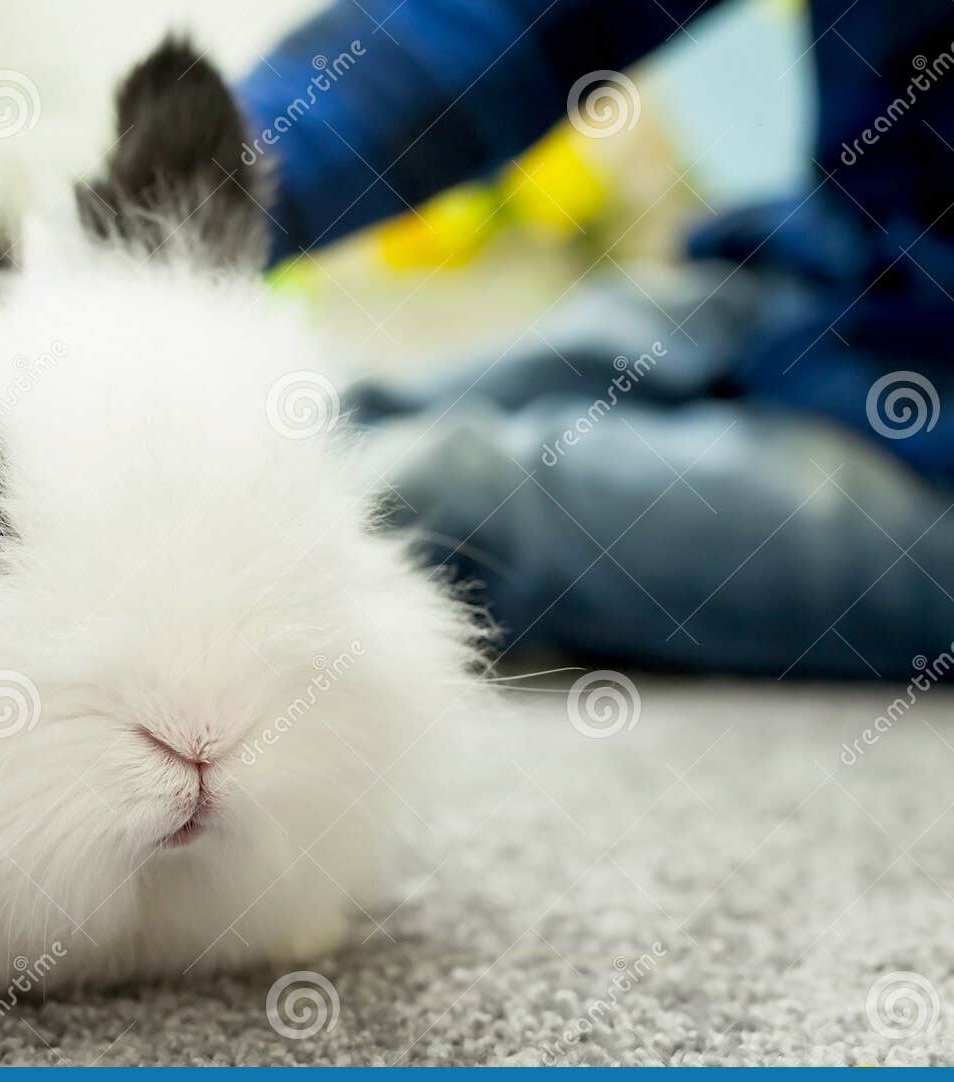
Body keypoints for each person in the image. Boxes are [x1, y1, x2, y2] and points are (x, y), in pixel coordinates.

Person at [236, 0, 954, 679]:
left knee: (451, 497)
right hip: (827, 285)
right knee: (317, 425)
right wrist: (213, 182)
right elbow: (523, 19)